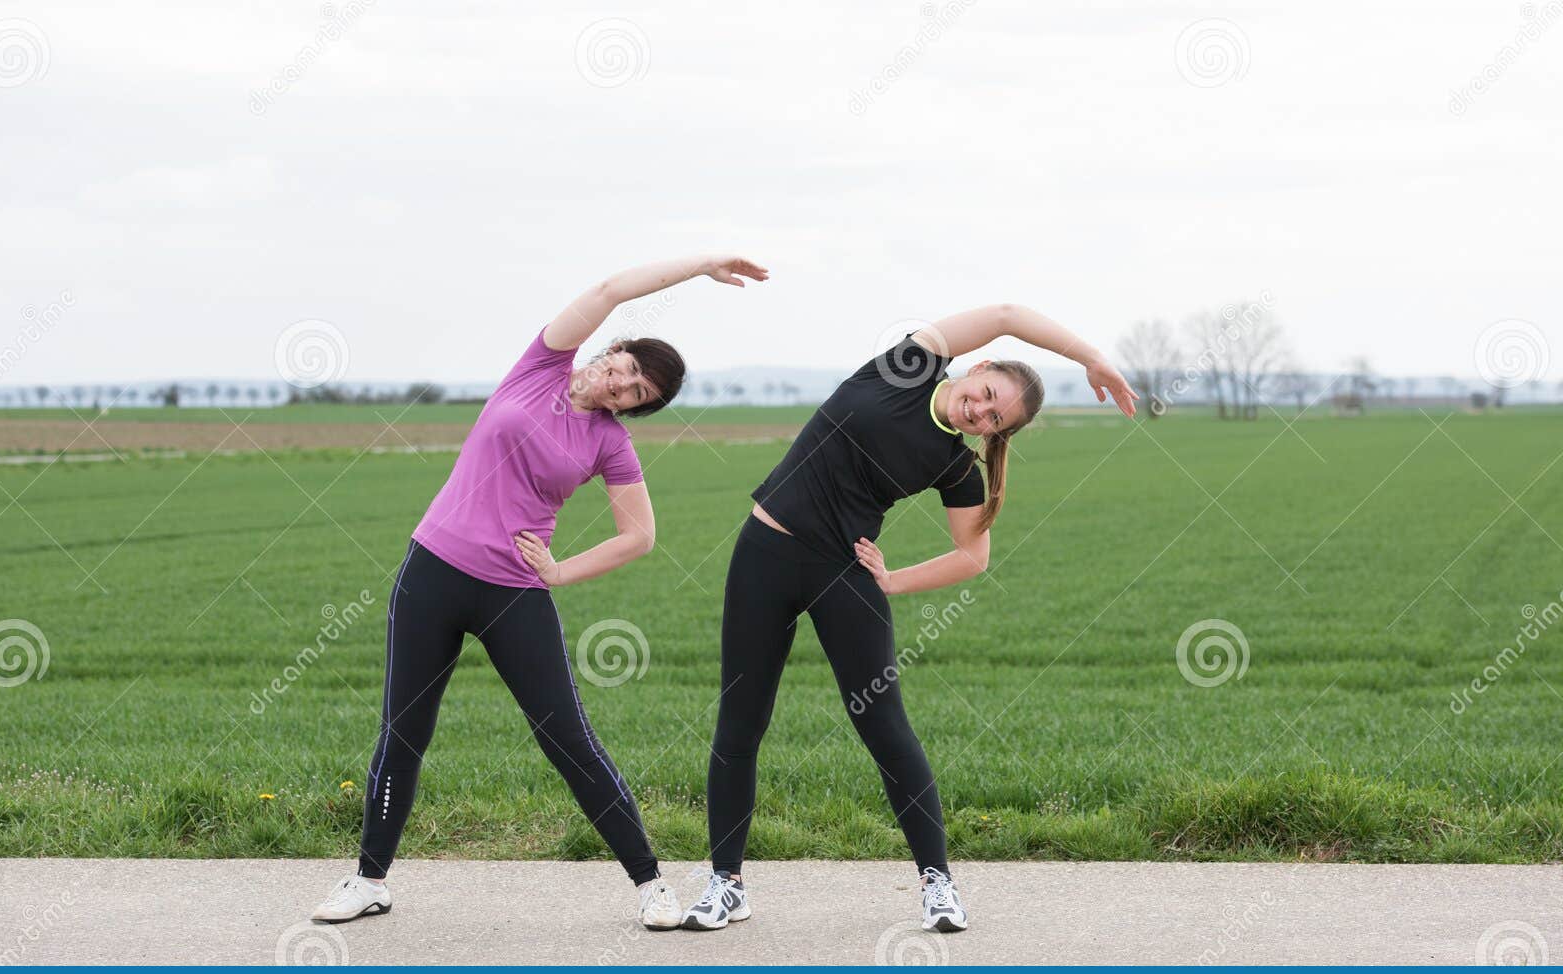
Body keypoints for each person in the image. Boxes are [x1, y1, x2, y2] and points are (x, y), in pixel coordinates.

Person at [311, 254, 769, 930]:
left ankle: (650, 884)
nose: (623, 386)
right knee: (403, 733)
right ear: (613, 351)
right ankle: (369, 879)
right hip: (432, 572)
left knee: (567, 738)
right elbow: (611, 289)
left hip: (514, 593)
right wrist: (701, 265)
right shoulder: (540, 367)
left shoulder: (609, 444)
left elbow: (640, 535)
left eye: (638, 393)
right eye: (627, 369)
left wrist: (560, 571)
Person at [681, 303, 1137, 933]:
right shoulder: (907, 366)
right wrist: (1091, 357)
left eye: (994, 418)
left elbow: (973, 556)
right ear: (974, 369)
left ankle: (937, 884)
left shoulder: (955, 464)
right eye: (985, 395)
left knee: (885, 727)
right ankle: (725, 884)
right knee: (740, 722)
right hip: (765, 554)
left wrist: (893, 581)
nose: (979, 411)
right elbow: (1005, 312)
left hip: (844, 574)